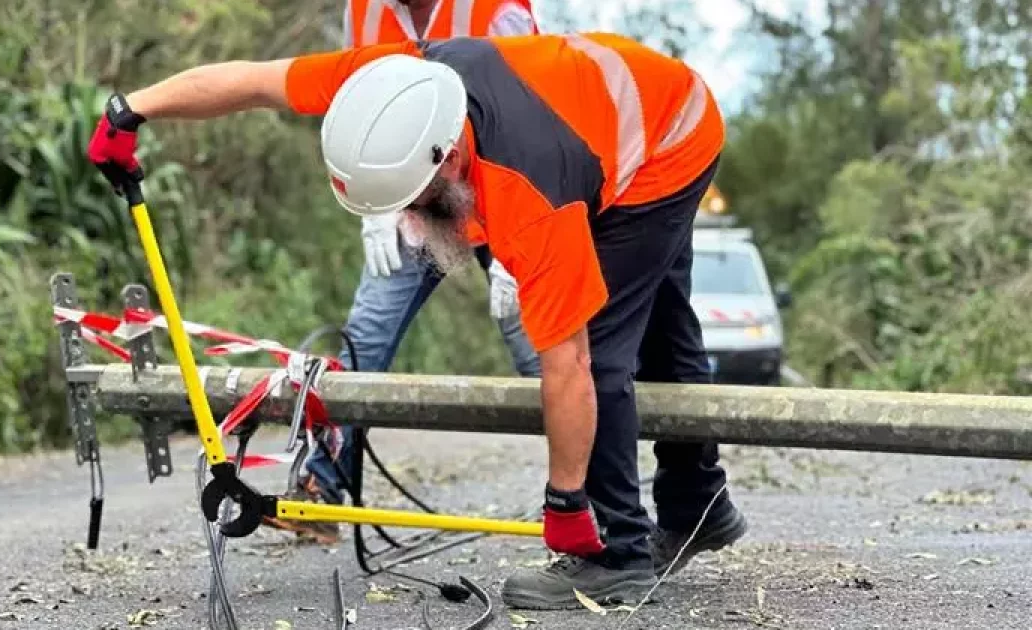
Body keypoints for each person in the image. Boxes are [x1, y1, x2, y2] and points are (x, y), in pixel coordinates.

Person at [86, 31, 748, 610]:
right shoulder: (385, 83)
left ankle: (618, 555)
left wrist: (567, 504)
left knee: (603, 345)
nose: (411, 221)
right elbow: (255, 81)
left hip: (666, 142)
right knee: (662, 319)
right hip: (626, 106)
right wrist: (135, 108)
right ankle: (700, 508)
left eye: (416, 203)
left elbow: (569, 364)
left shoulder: (530, 195)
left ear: (451, 160)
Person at [294, 0, 544, 546]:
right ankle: (322, 486)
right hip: (419, 197)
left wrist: (522, 241)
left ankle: (593, 497)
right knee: (366, 337)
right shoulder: (363, 10)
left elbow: (530, 117)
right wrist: (375, 205)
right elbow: (360, 108)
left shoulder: (497, 11)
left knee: (542, 349)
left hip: (504, 189)